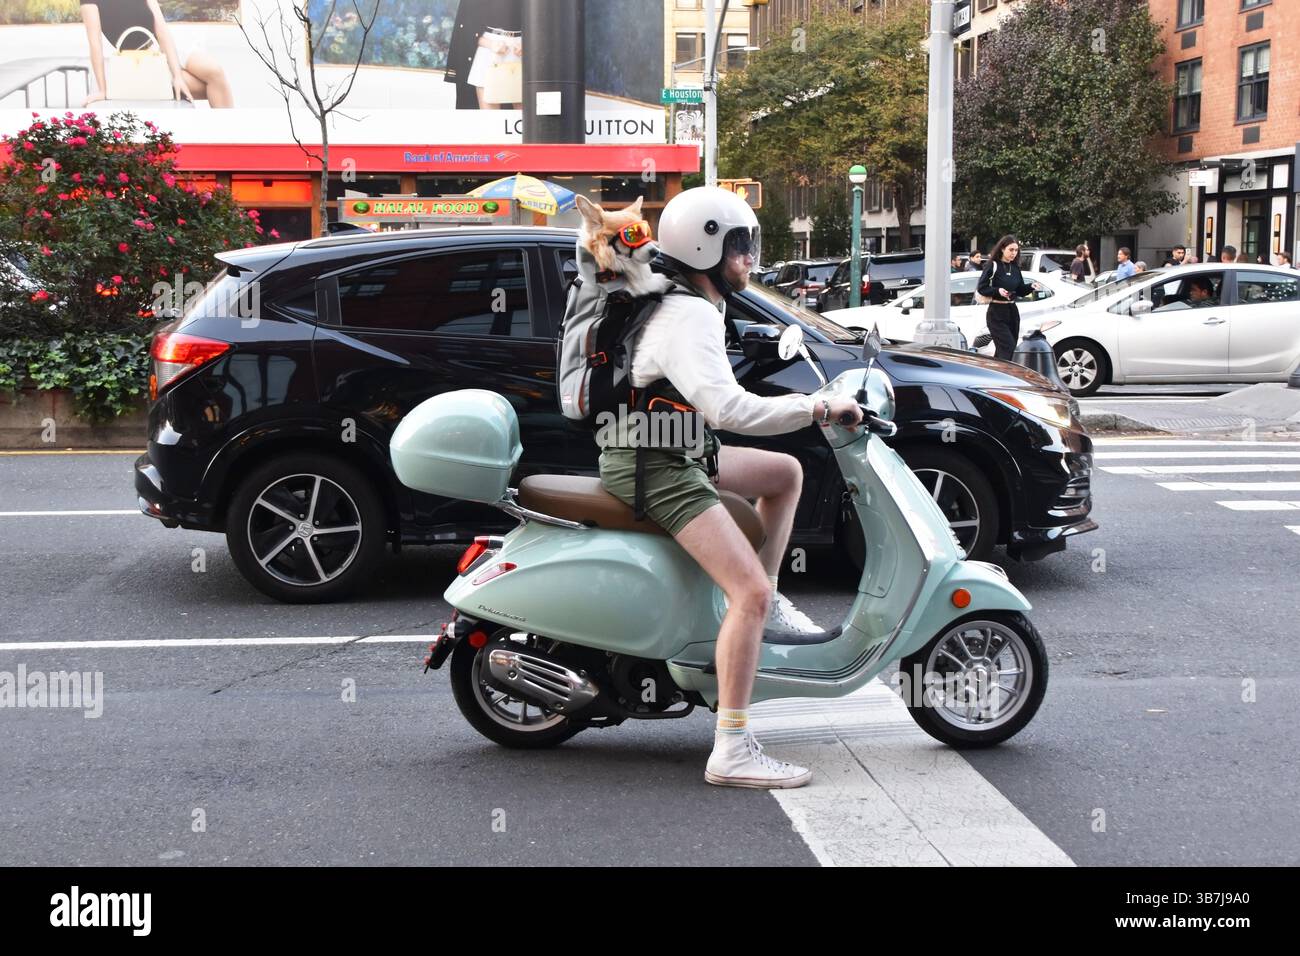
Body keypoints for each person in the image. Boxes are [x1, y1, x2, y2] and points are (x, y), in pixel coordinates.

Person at [597, 186, 862, 789]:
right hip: (656, 464)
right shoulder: (688, 311)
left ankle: (768, 602)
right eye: (740, 250)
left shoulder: (697, 302)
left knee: (783, 474)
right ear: (704, 248)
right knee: (747, 594)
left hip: (668, 446)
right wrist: (816, 408)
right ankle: (732, 747)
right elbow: (726, 409)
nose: (750, 262)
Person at [80, 0, 232, 107]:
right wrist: (102, 90)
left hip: (168, 45)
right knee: (209, 88)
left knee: (215, 72)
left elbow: (161, 29)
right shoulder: (90, 2)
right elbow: (95, 44)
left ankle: (231, 139)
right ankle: (226, 142)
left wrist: (177, 76)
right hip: (144, 59)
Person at [977, 235, 1042, 362]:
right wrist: (997, 290)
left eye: (1016, 250)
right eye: (1011, 250)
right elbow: (982, 288)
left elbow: (1020, 290)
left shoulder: (1015, 268)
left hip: (1012, 311)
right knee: (1008, 348)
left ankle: (996, 377)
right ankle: (1004, 377)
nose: (1014, 253)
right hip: (996, 312)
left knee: (1005, 350)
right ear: (1002, 249)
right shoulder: (993, 265)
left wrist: (1031, 287)